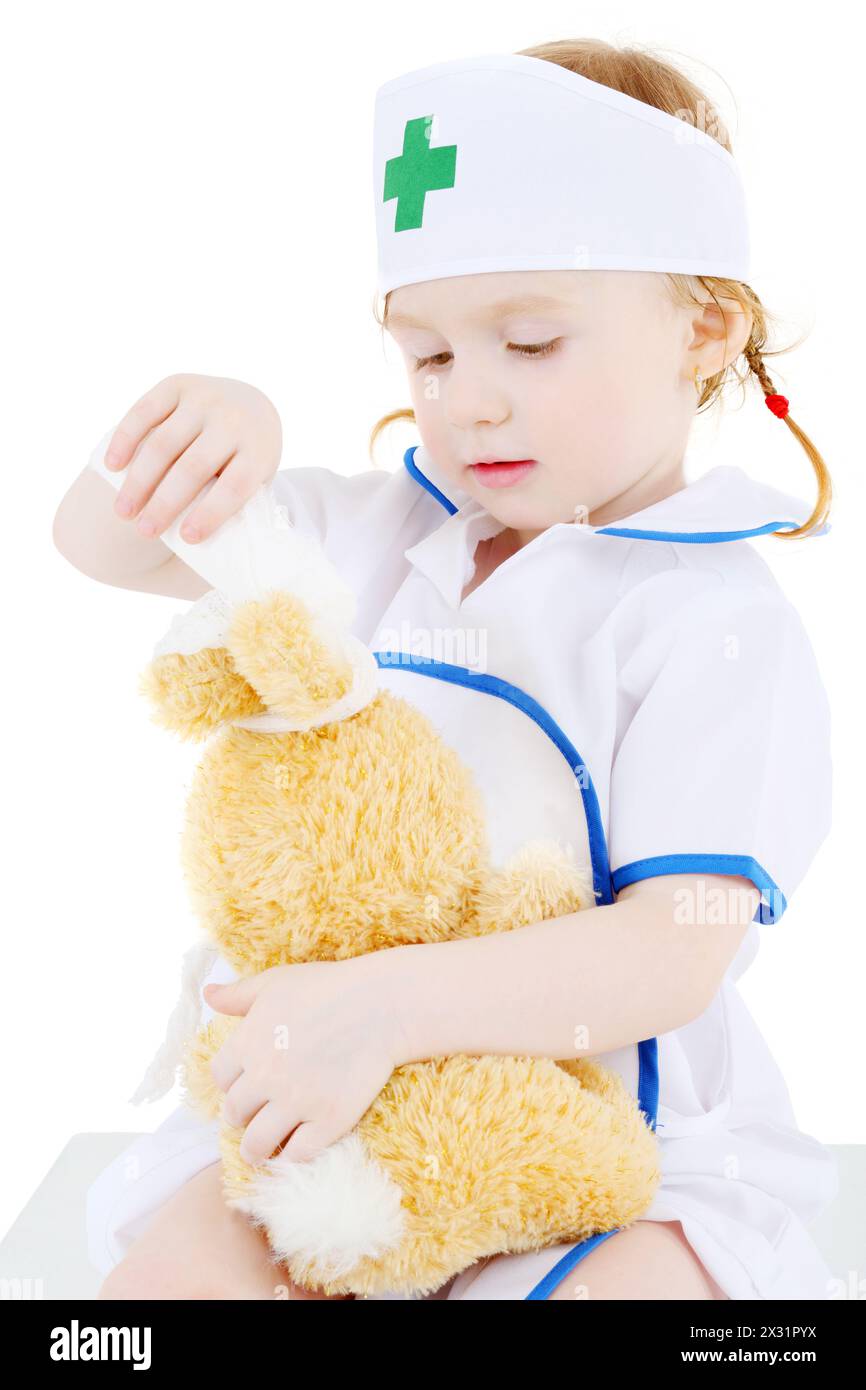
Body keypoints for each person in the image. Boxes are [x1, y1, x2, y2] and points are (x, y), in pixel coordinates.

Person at [54, 37, 837, 1301]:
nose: (466, 400)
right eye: (427, 355)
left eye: (528, 344)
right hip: (332, 1112)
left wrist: (383, 1010)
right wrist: (205, 429)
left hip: (610, 1142)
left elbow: (671, 952)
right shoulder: (374, 536)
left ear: (703, 330)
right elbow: (104, 545)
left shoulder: (708, 619)